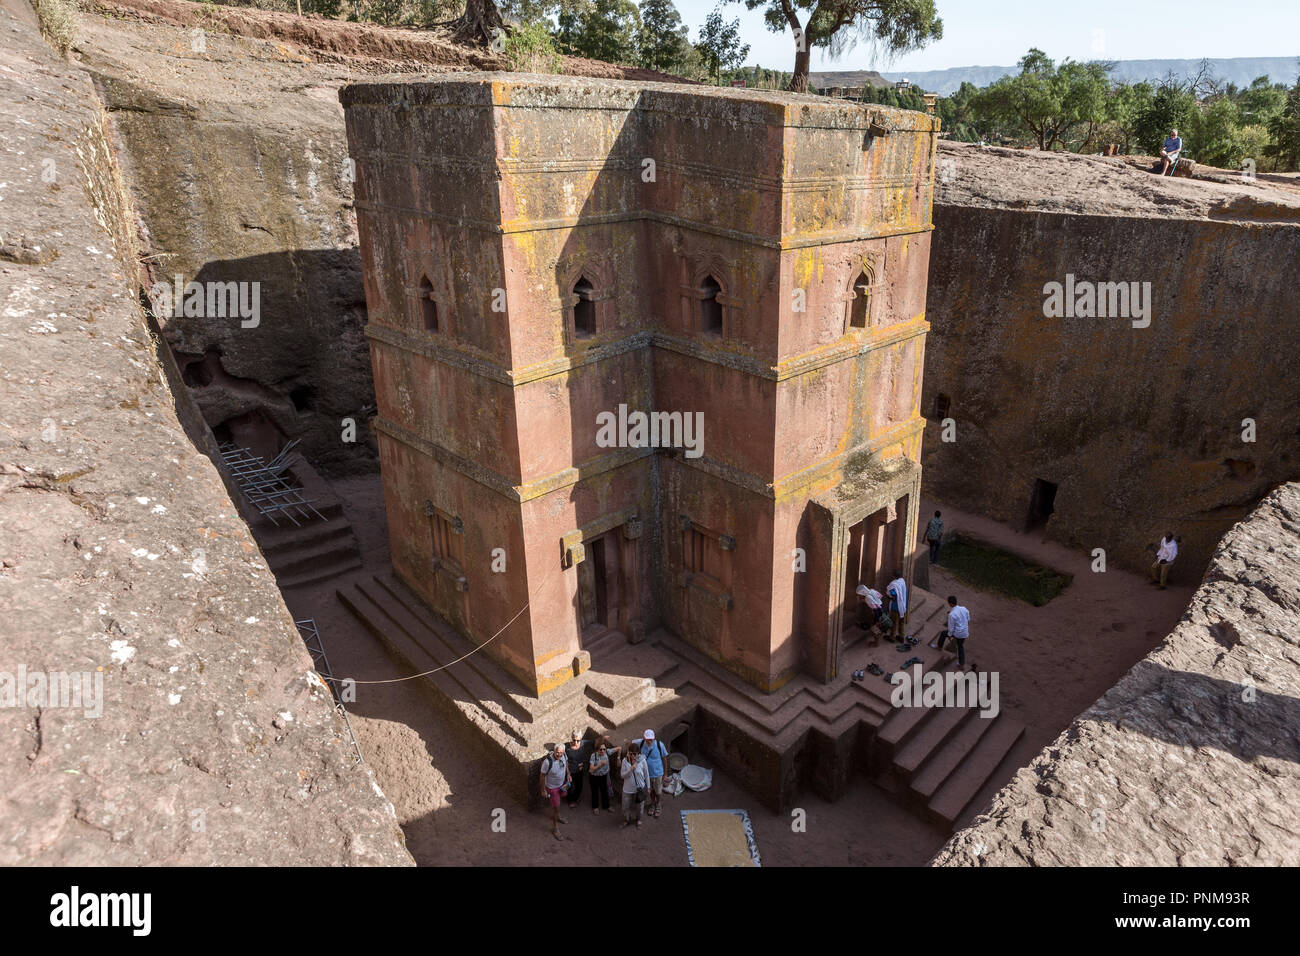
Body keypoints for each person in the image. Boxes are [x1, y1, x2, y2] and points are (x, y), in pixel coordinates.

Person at [539, 743, 571, 841]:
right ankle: (555, 828)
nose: (559, 755)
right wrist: (543, 789)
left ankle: (558, 816)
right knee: (555, 807)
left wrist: (568, 774)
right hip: (552, 788)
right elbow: (542, 776)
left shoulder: (564, 755)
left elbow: (566, 763)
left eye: (561, 753)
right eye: (557, 752)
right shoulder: (547, 762)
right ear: (554, 751)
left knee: (558, 804)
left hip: (562, 784)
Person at [933, 594, 971, 668]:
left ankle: (939, 647)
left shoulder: (951, 615)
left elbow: (951, 627)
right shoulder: (964, 609)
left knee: (943, 633)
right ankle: (961, 664)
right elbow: (968, 619)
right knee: (960, 646)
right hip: (965, 632)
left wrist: (950, 635)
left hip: (957, 632)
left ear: (950, 603)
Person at [639, 729, 669, 818]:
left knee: (658, 791)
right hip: (647, 775)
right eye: (647, 739)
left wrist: (665, 774)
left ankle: (658, 804)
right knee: (651, 791)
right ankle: (652, 803)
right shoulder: (641, 744)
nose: (649, 741)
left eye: (651, 739)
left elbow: (664, 759)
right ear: (644, 738)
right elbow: (630, 744)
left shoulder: (660, 745)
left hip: (658, 773)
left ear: (654, 738)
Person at [620, 742, 649, 829]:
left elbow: (646, 774)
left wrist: (648, 787)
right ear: (628, 752)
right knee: (625, 807)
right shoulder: (625, 761)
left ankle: (638, 820)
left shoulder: (642, 761)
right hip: (627, 789)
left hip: (639, 788)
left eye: (635, 754)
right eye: (631, 753)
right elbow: (622, 775)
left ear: (638, 753)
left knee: (640, 807)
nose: (633, 756)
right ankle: (627, 820)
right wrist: (630, 769)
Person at [588, 738, 615, 814]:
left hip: (603, 776)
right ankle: (595, 807)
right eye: (601, 749)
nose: (603, 751)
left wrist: (619, 757)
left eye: (604, 749)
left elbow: (618, 748)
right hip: (594, 776)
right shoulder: (594, 756)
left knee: (604, 791)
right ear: (597, 749)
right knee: (595, 792)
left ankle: (606, 806)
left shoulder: (607, 752)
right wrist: (600, 765)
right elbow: (591, 769)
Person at [563, 729, 588, 809]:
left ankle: (575, 799)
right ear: (571, 738)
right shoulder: (566, 747)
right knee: (570, 787)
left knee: (579, 786)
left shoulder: (583, 743)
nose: (576, 742)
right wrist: (568, 772)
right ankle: (570, 801)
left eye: (578, 740)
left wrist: (602, 739)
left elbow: (593, 742)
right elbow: (565, 760)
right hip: (570, 771)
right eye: (574, 740)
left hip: (579, 770)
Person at [886, 570, 909, 641]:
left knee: (894, 622)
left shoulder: (894, 584)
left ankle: (892, 637)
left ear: (894, 576)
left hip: (896, 607)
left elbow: (894, 597)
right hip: (903, 606)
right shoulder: (902, 582)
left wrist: (889, 596)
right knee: (901, 622)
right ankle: (901, 637)